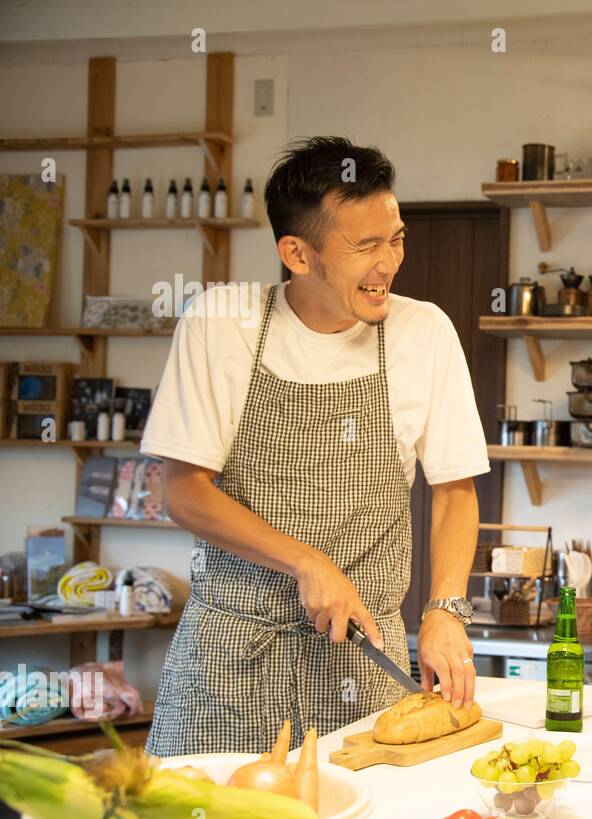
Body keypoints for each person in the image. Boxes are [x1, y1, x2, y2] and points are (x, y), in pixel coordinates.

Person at [142, 136, 488, 757]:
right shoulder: (220, 322)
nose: (390, 264)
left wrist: (445, 608)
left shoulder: (425, 332)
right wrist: (307, 561)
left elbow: (455, 490)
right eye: (365, 246)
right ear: (297, 253)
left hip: (365, 664)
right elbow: (183, 492)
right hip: (228, 666)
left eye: (397, 238)